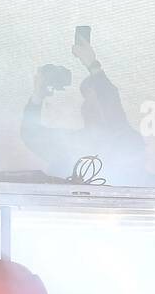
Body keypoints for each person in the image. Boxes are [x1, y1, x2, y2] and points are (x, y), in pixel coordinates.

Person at [20, 35, 148, 184]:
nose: (88, 107)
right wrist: (37, 98)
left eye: (95, 102)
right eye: (86, 101)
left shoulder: (127, 141)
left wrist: (93, 65)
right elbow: (32, 136)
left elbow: (111, 105)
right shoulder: (73, 143)